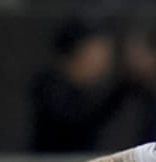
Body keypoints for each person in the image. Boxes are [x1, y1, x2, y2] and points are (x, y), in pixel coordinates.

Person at [29, 19, 131, 153]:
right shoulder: (49, 89)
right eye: (97, 56)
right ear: (77, 54)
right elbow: (77, 123)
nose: (104, 65)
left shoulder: (88, 93)